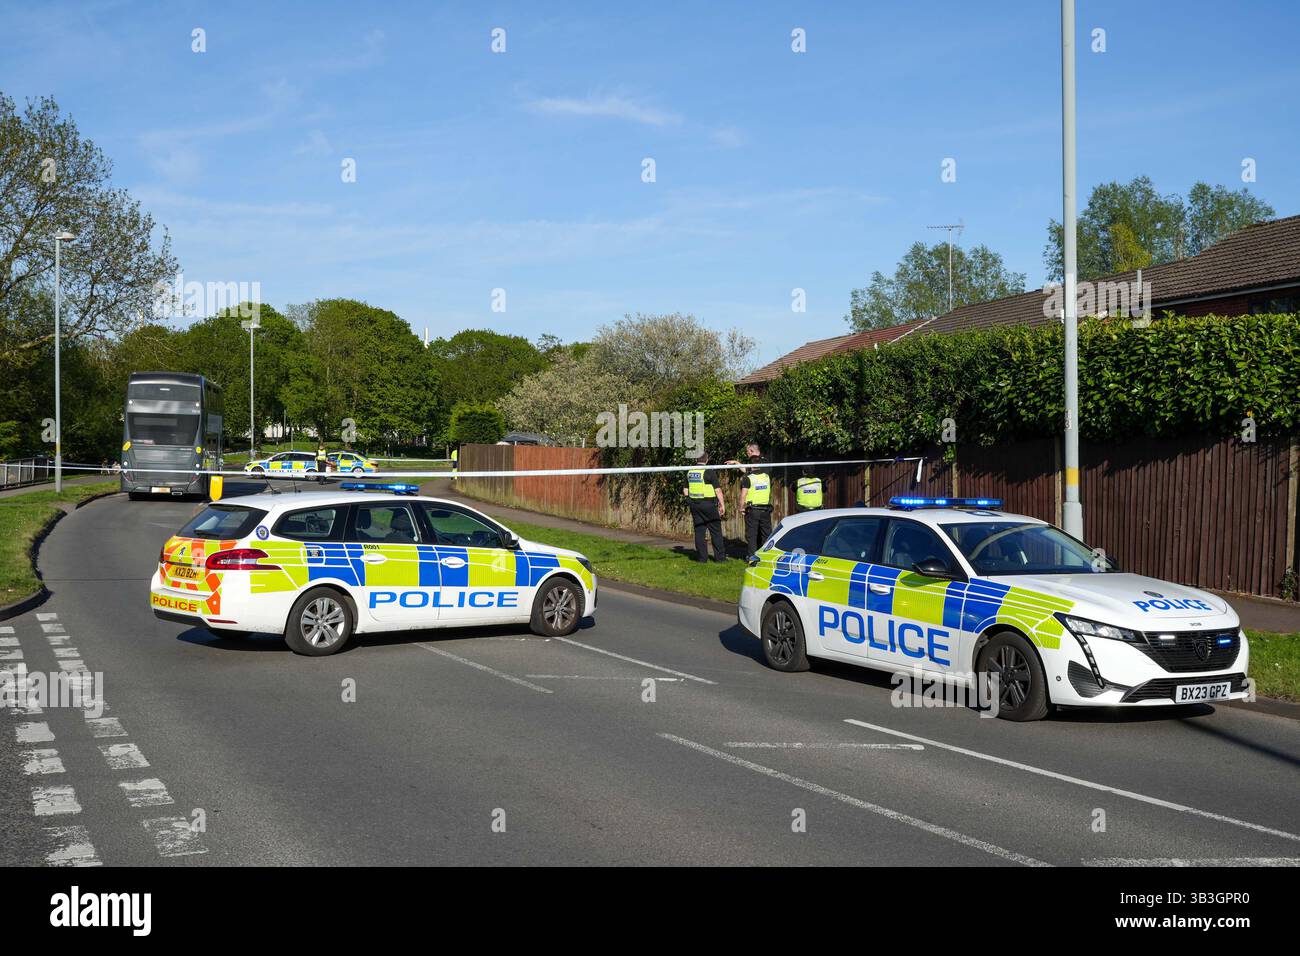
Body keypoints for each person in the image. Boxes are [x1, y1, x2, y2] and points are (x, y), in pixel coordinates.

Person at [682, 451, 727, 563]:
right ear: (706, 460)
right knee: (715, 531)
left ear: (696, 459)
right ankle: (720, 559)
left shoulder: (690, 472)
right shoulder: (709, 471)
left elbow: (685, 490)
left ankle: (702, 559)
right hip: (708, 505)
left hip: (694, 505)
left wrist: (689, 501)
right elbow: (718, 490)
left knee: (699, 531)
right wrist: (722, 504)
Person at [739, 449, 773, 556]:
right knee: (766, 535)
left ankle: (753, 559)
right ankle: (765, 557)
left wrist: (741, 507)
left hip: (752, 510)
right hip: (765, 510)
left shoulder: (748, 478)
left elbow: (743, 495)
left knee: (752, 536)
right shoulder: (767, 477)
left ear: (750, 465)